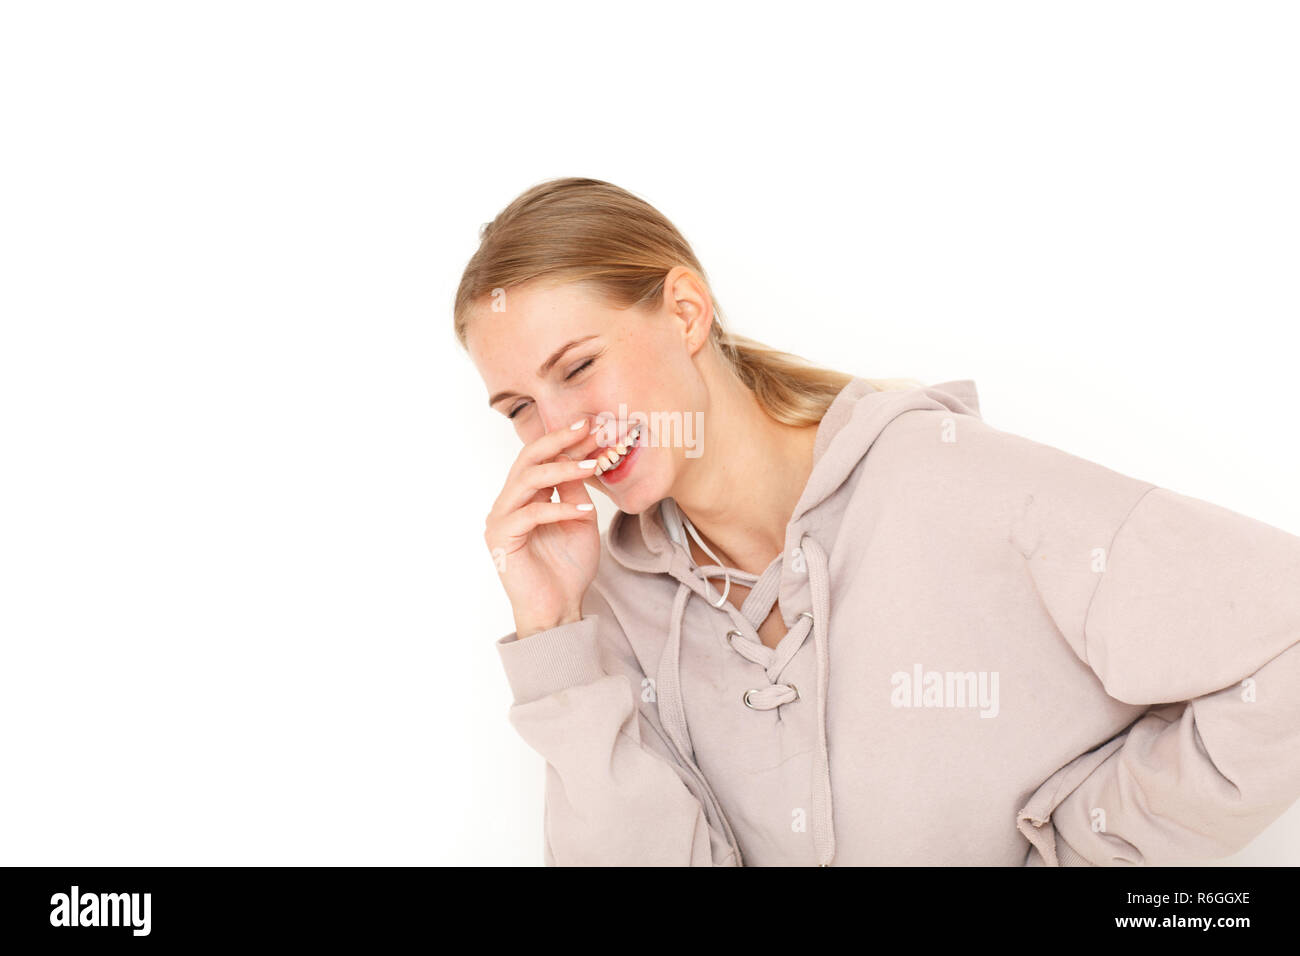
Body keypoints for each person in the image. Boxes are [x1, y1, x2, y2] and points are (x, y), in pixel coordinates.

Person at [454, 177, 1300, 866]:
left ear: (684, 311)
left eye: (579, 366)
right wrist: (551, 636)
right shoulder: (613, 604)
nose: (561, 426)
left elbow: (1283, 632)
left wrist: (1085, 847)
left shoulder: (946, 477)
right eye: (521, 407)